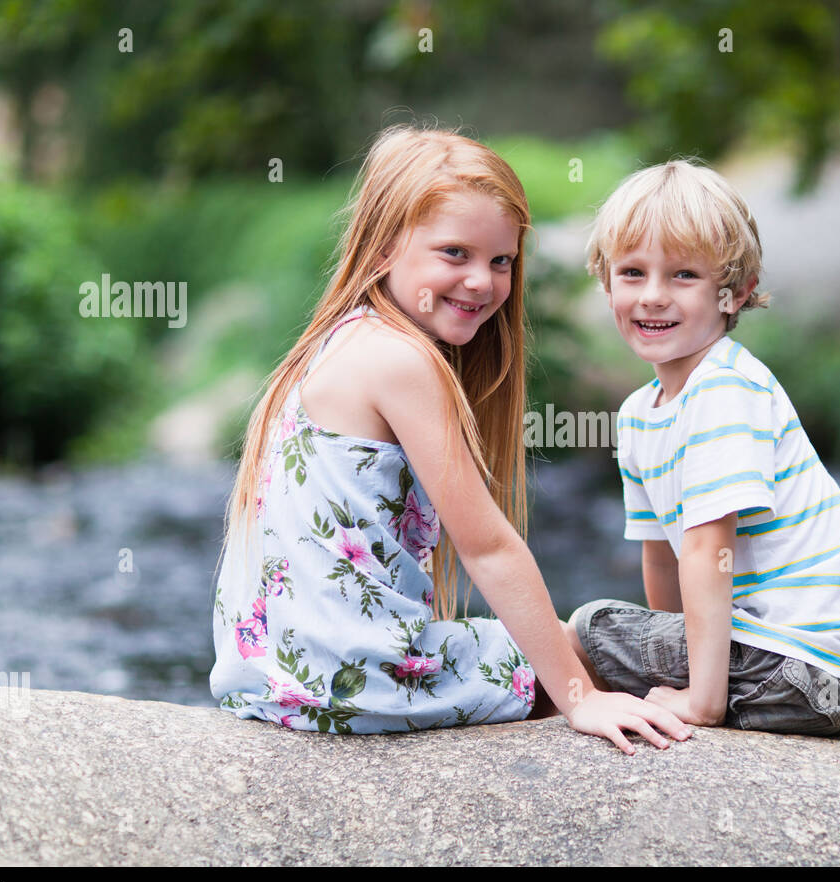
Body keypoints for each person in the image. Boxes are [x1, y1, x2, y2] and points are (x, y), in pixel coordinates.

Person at [210, 124, 691, 755]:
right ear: (383, 248)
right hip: (356, 682)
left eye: (501, 261)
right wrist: (580, 697)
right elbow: (487, 547)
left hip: (266, 679)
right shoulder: (399, 361)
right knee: (597, 643)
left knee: (560, 639)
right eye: (454, 254)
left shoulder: (337, 342)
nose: (482, 282)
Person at [566, 159, 840, 735]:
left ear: (735, 293)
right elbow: (660, 556)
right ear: (606, 281)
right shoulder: (640, 415)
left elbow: (705, 550)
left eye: (684, 276)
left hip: (803, 669)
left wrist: (701, 701)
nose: (653, 297)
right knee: (617, 630)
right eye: (632, 273)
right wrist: (672, 663)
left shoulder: (721, 386)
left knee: (585, 629)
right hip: (838, 680)